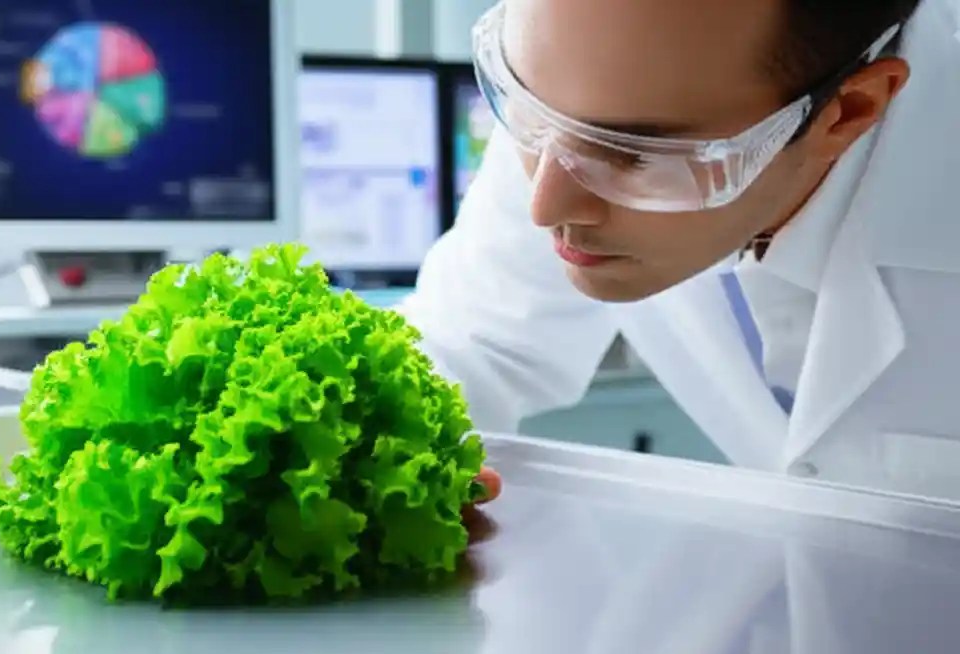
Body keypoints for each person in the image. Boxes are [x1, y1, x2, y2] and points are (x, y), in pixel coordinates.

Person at [405, 0, 960, 504]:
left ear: (849, 111)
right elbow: (474, 343)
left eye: (636, 157)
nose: (545, 207)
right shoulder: (585, 94)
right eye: (526, 106)